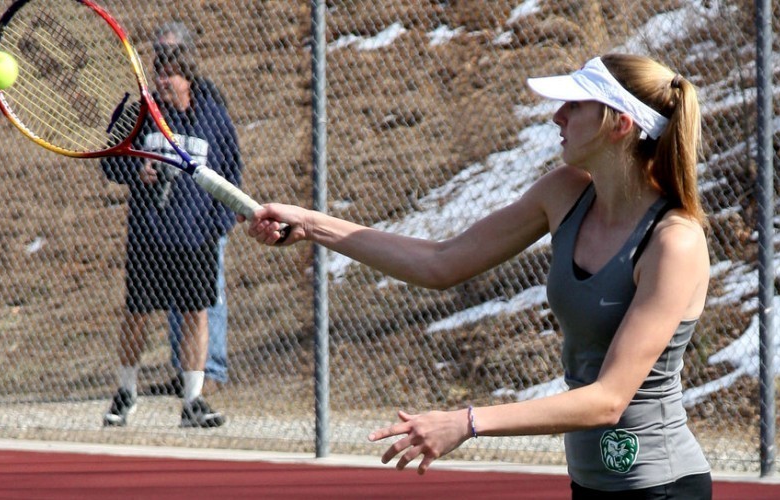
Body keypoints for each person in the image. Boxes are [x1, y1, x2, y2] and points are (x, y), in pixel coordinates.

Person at [247, 54, 712, 497]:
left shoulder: (674, 243)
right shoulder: (565, 193)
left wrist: (466, 422)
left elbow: (608, 399)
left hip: (662, 488)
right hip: (590, 484)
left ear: (620, 124)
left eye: (575, 105)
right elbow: (442, 263)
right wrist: (312, 225)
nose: (558, 117)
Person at [100, 42, 243, 428]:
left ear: (187, 78)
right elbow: (109, 162)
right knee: (137, 315)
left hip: (197, 238)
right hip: (149, 237)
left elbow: (231, 172)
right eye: (158, 73)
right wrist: (136, 173)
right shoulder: (142, 113)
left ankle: (193, 402)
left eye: (170, 74)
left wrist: (219, 226)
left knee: (197, 313)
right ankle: (126, 394)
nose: (162, 81)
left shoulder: (212, 117)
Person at [153, 22, 232, 398]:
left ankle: (210, 370)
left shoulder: (209, 101)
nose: (164, 69)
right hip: (170, 223)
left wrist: (222, 217)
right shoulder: (153, 108)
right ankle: (184, 371)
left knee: (207, 299)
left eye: (172, 55)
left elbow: (228, 161)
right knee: (177, 300)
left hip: (203, 221)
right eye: (160, 56)